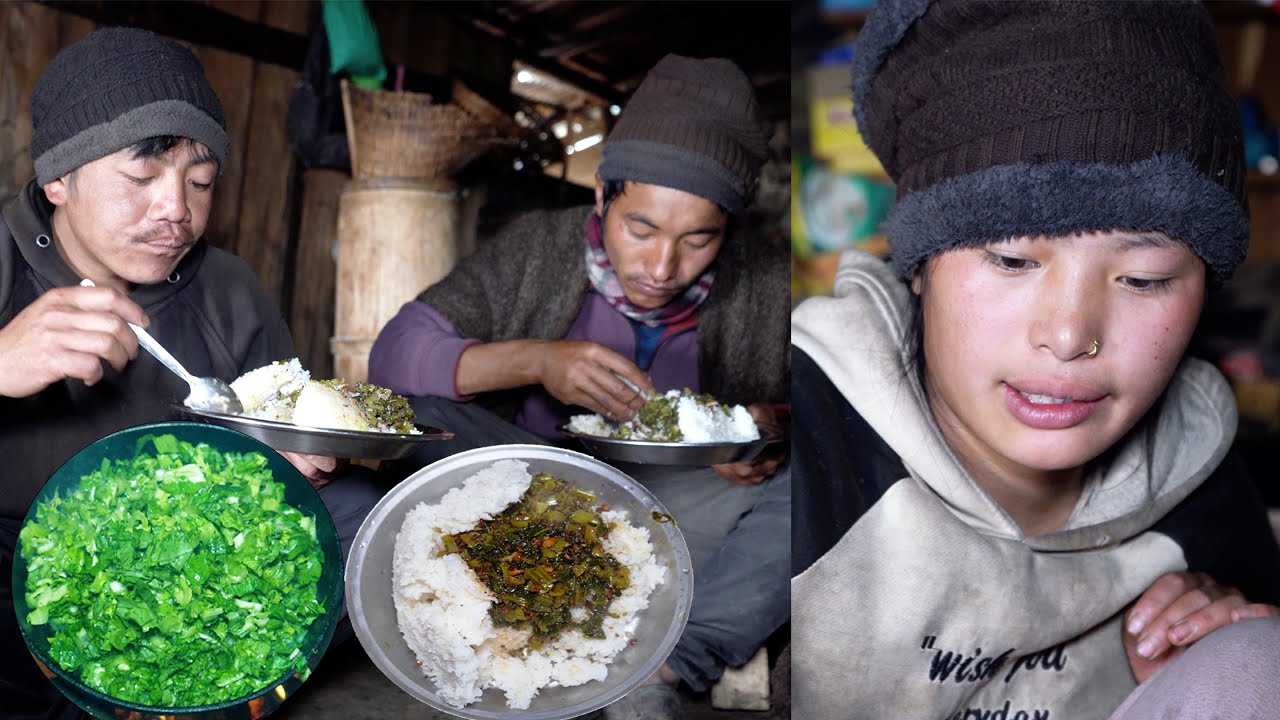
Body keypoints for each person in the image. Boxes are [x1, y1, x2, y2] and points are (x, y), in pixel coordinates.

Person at [791, 1, 1280, 718]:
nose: (1069, 336)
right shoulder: (805, 452)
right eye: (1012, 260)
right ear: (920, 267)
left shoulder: (1206, 476)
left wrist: (1222, 653)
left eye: (1143, 278)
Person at [369, 54, 790, 718]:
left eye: (698, 240)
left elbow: (826, 405)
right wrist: (535, 361)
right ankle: (518, 605)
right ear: (601, 195)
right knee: (419, 420)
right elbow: (393, 357)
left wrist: (762, 433)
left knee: (813, 479)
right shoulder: (538, 248)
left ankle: (665, 665)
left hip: (668, 514)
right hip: (531, 498)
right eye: (640, 229)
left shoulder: (765, 280)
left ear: (728, 230)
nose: (661, 267)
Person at [0, 28, 385, 720]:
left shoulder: (229, 289)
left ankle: (192, 689)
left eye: (200, 181)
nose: (177, 209)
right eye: (142, 177)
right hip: (14, 559)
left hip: (185, 553)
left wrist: (288, 460)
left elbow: (272, 451)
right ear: (58, 178)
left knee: (366, 515)